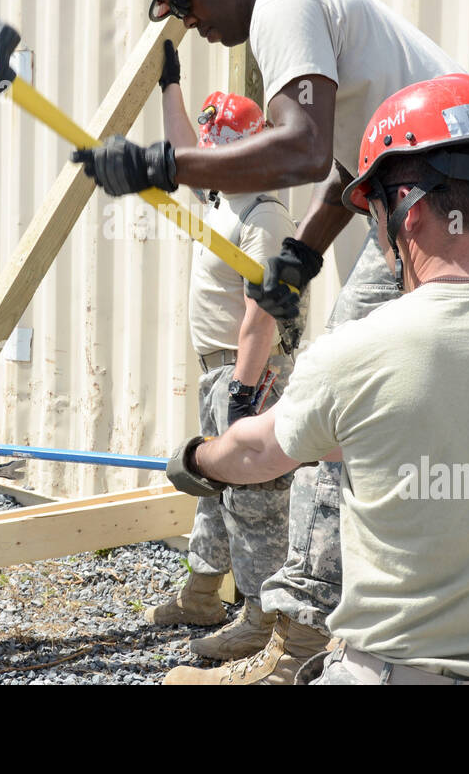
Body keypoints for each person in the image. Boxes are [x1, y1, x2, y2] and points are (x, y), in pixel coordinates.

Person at [74, 0, 469, 683]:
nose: (190, 22)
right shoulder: (303, 2)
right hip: (440, 196)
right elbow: (349, 167)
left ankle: (304, 639)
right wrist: (300, 258)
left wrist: (166, 165)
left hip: (458, 201)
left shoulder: (282, 0)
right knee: (379, 399)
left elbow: (298, 150)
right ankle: (358, 617)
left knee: (347, 388)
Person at [164, 75, 469, 684]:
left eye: (375, 212)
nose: (376, 232)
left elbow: (257, 452)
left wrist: (197, 458)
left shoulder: (357, 353)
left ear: (412, 210)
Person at [142, 42, 299, 666]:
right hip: (221, 371)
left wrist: (243, 385)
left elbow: (262, 311)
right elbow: (184, 150)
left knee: (253, 497)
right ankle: (204, 594)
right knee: (213, 484)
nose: (203, 152)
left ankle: (260, 618)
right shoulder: (222, 200)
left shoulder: (263, 215)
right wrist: (169, 86)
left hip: (250, 375)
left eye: (214, 143)